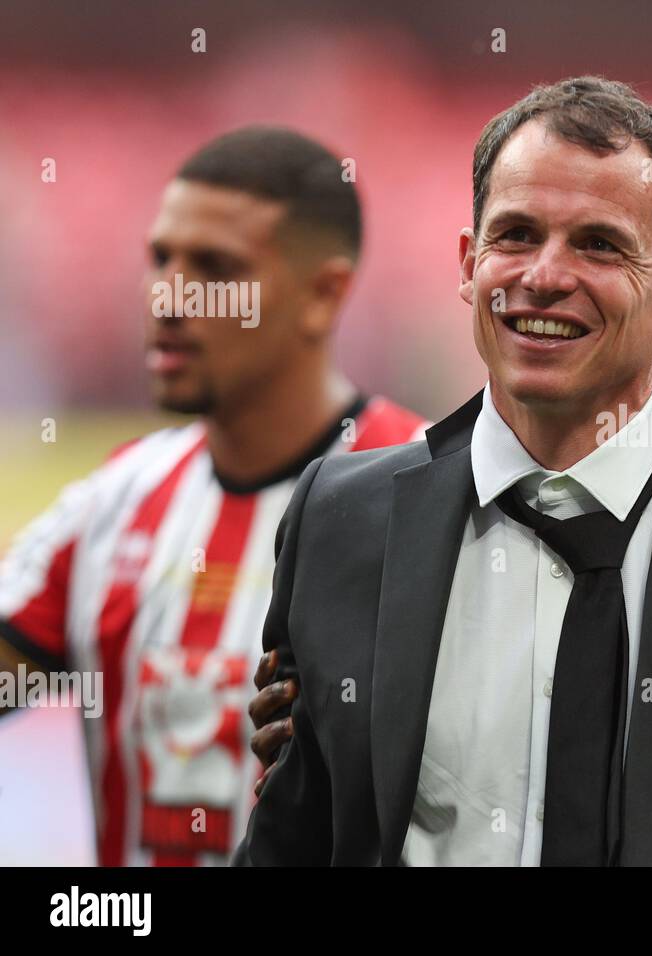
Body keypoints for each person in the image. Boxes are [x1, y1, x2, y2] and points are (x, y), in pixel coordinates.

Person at [234, 76, 652, 866]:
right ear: (466, 261)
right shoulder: (336, 521)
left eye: (598, 244)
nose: (545, 275)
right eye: (515, 234)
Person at [0, 127, 428, 865]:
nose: (168, 296)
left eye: (215, 268)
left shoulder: (433, 498)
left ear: (322, 295)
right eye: (160, 259)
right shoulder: (114, 499)